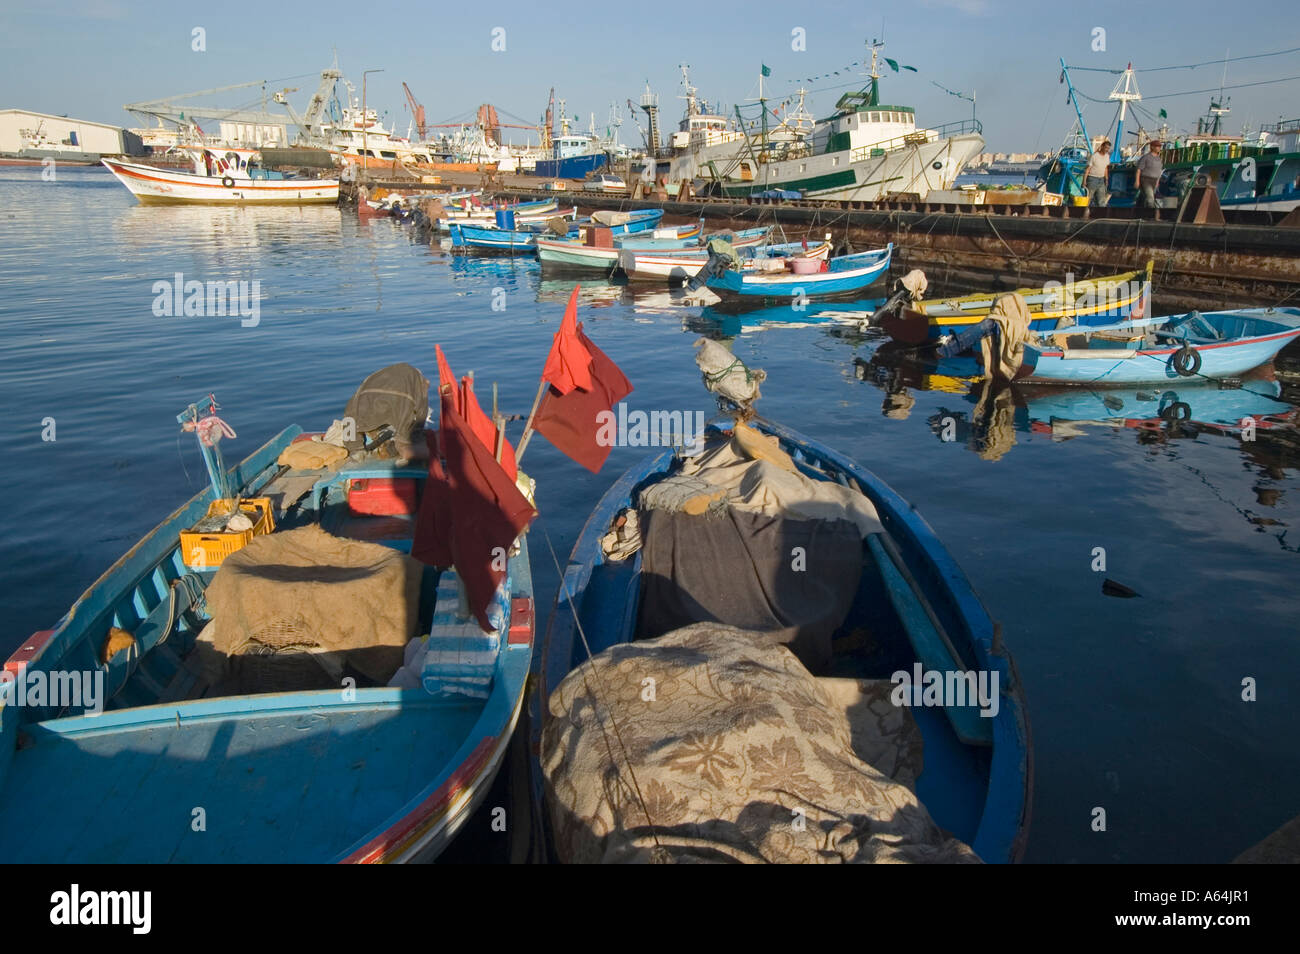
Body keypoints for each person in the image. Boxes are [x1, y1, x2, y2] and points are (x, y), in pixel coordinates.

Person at [1135, 140, 1164, 208]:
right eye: (1157, 146)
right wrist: (1137, 181)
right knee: (1150, 199)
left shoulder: (1159, 159)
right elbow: (1139, 170)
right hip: (1145, 180)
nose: (1159, 148)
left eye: (1160, 146)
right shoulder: (1146, 157)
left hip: (1154, 180)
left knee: (1144, 198)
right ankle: (1151, 215)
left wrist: (1157, 182)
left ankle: (1138, 210)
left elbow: (1159, 171)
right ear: (1152, 147)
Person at [1083, 139, 1112, 207]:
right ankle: (1084, 212)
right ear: (1102, 147)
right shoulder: (1094, 156)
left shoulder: (1107, 156)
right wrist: (1084, 181)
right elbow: (1087, 169)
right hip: (1092, 179)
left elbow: (1105, 168)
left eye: (1108, 148)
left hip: (1101, 180)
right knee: (1088, 198)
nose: (1107, 150)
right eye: (1106, 148)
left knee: (1101, 200)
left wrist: (1106, 179)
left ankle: (1100, 214)